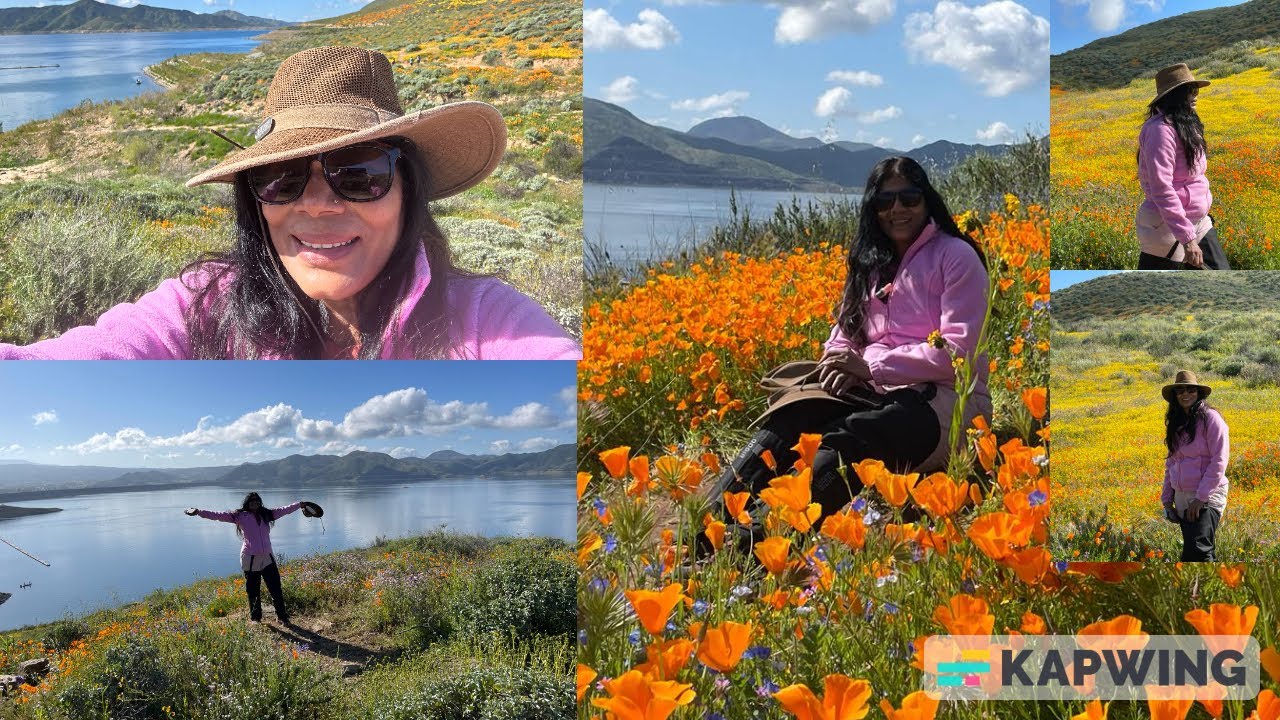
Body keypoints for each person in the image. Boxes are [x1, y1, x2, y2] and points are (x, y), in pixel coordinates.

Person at [0, 46, 579, 360]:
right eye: (281, 178)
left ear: (410, 189)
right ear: (255, 200)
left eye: (359, 174)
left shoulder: (486, 325)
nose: (320, 204)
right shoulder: (205, 307)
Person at [705, 156, 991, 549]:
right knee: (796, 415)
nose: (897, 209)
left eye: (909, 197)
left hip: (947, 404)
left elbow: (956, 354)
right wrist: (838, 365)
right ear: (873, 208)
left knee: (855, 437)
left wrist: (869, 366)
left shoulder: (955, 256)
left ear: (926, 200)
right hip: (875, 391)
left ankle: (756, 545)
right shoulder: (870, 264)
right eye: (885, 201)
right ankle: (705, 528)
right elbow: (843, 334)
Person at [1136, 63, 1229, 270]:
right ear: (1174, 95)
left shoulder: (1186, 124)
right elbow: (1162, 188)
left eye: (1195, 89)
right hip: (1166, 228)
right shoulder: (1160, 131)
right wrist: (1187, 239)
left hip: (1198, 222)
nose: (1195, 95)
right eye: (1189, 90)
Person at [185, 493, 314, 623]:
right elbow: (218, 516)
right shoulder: (240, 516)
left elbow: (284, 510)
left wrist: (299, 505)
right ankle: (255, 619)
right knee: (253, 591)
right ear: (247, 503)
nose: (254, 503)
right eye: (252, 501)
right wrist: (198, 512)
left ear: (260, 502)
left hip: (267, 558)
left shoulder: (267, 515)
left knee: (276, 589)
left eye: (257, 500)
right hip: (250, 559)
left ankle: (282, 617)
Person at [1160, 370, 1229, 562]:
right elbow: (1171, 463)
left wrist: (1201, 498)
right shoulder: (1176, 423)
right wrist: (1167, 500)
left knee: (1199, 551)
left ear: (1198, 393)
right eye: (1180, 390)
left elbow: (1219, 460)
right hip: (1183, 499)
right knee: (1195, 552)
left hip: (1207, 496)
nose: (1185, 394)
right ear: (1175, 396)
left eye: (1190, 389)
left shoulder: (1211, 418)